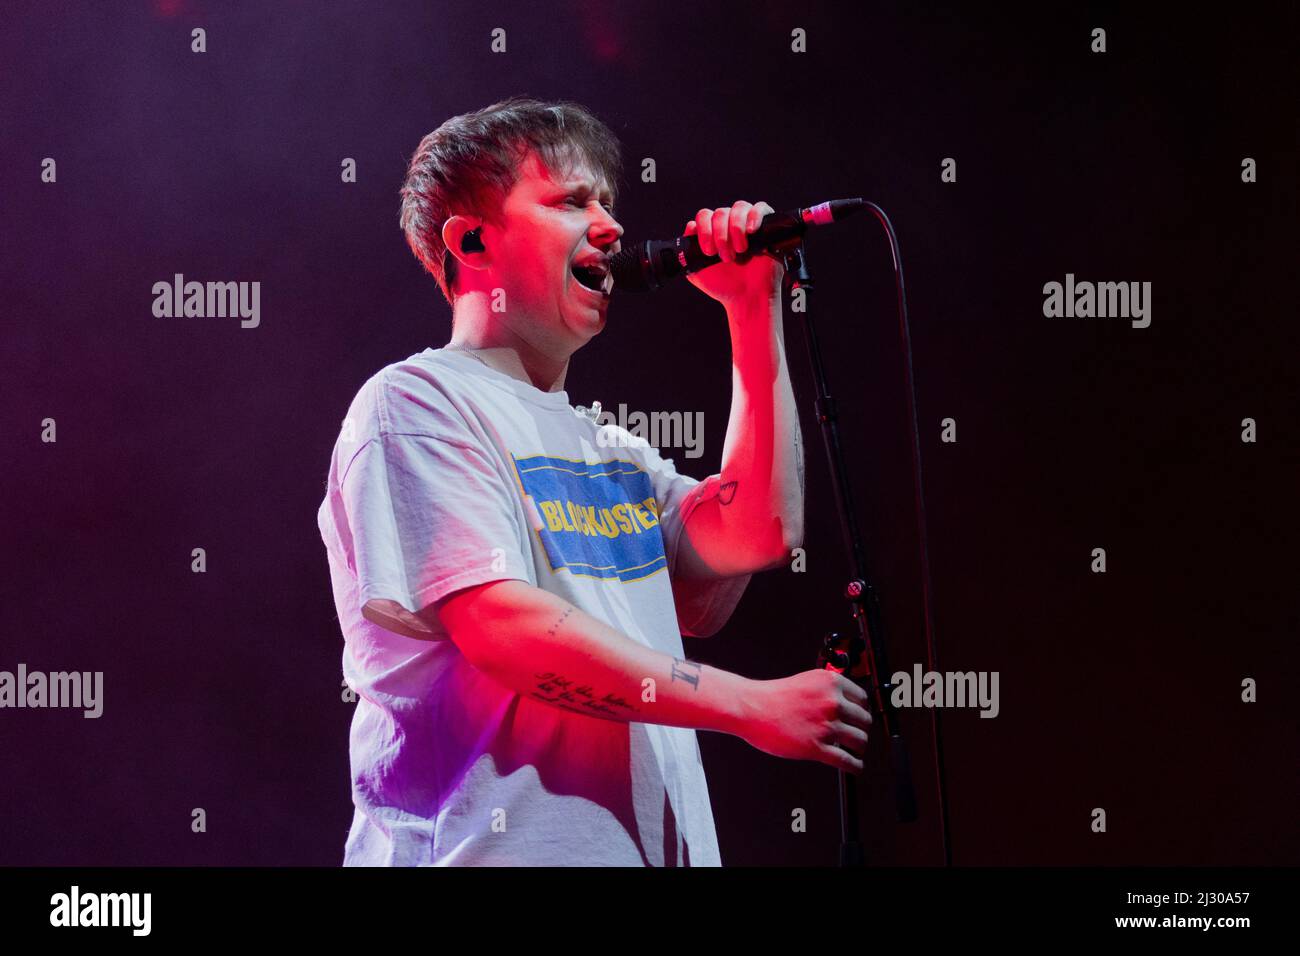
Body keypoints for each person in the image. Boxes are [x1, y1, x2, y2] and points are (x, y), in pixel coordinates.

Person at [316, 96, 871, 866]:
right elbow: (504, 629)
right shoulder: (415, 404)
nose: (609, 227)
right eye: (572, 201)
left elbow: (760, 532)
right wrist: (746, 703)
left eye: (608, 202)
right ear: (471, 239)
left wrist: (752, 311)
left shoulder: (613, 452)